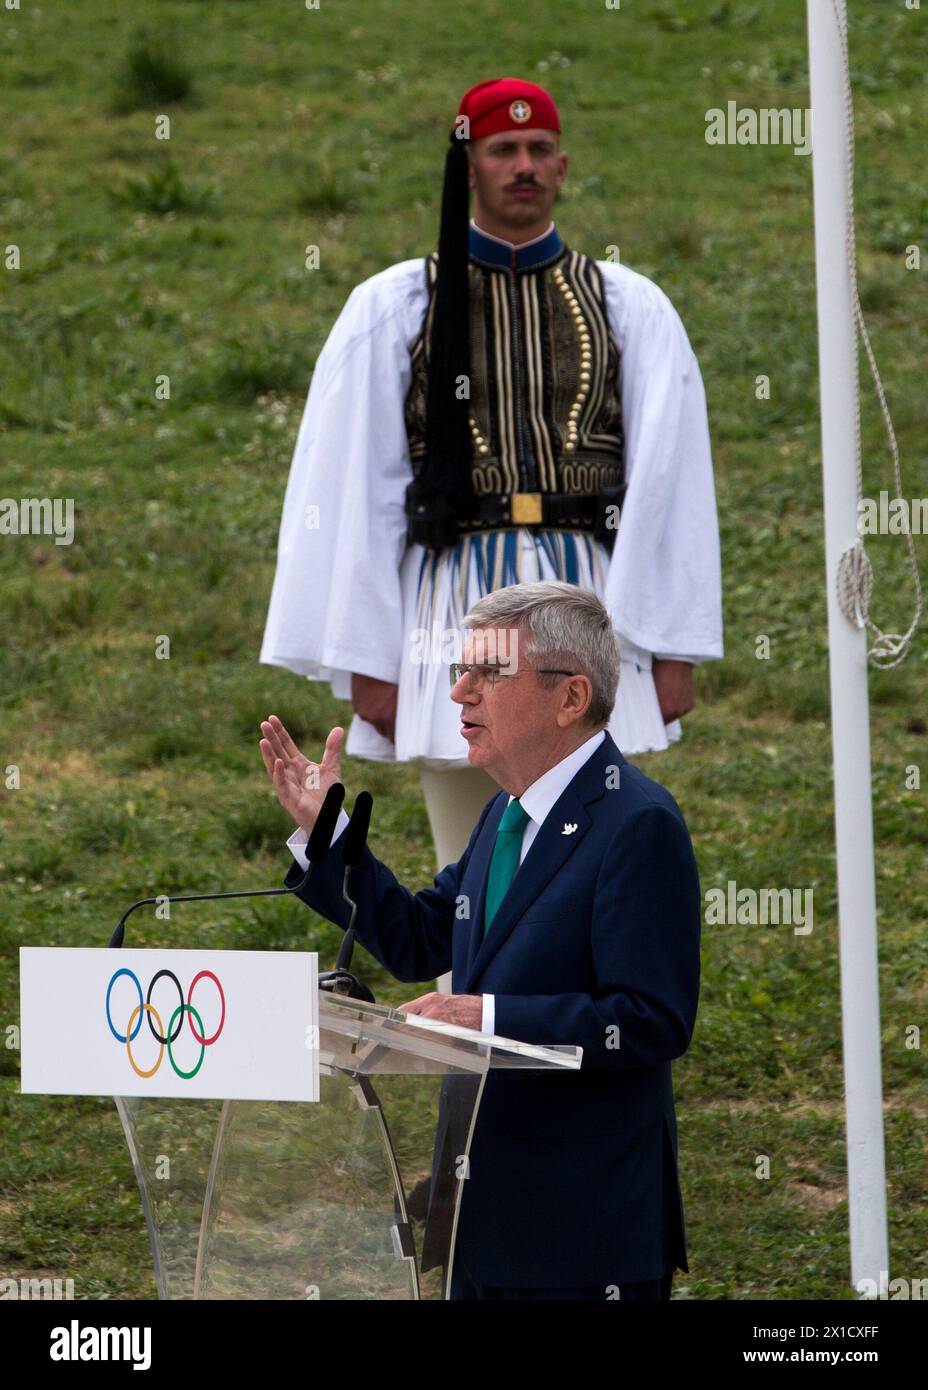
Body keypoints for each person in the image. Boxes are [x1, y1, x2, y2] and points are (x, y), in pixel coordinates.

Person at [259, 76, 723, 930]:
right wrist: (369, 656)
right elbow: (352, 487)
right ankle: (470, 1027)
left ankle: (574, 1020)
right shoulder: (397, 303)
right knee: (467, 862)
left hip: (586, 594)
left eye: (539, 149)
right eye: (502, 150)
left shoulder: (627, 303)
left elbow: (671, 482)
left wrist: (674, 645)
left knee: (587, 839)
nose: (523, 166)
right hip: (452, 599)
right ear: (469, 165)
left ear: (563, 166)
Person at [260, 581, 701, 1300]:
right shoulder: (507, 810)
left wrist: (486, 1019)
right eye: (460, 671)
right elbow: (418, 938)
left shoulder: (637, 824)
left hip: (583, 1237)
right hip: (481, 1216)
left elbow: (650, 1019)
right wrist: (326, 834)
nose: (459, 692)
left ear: (570, 698)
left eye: (488, 674)